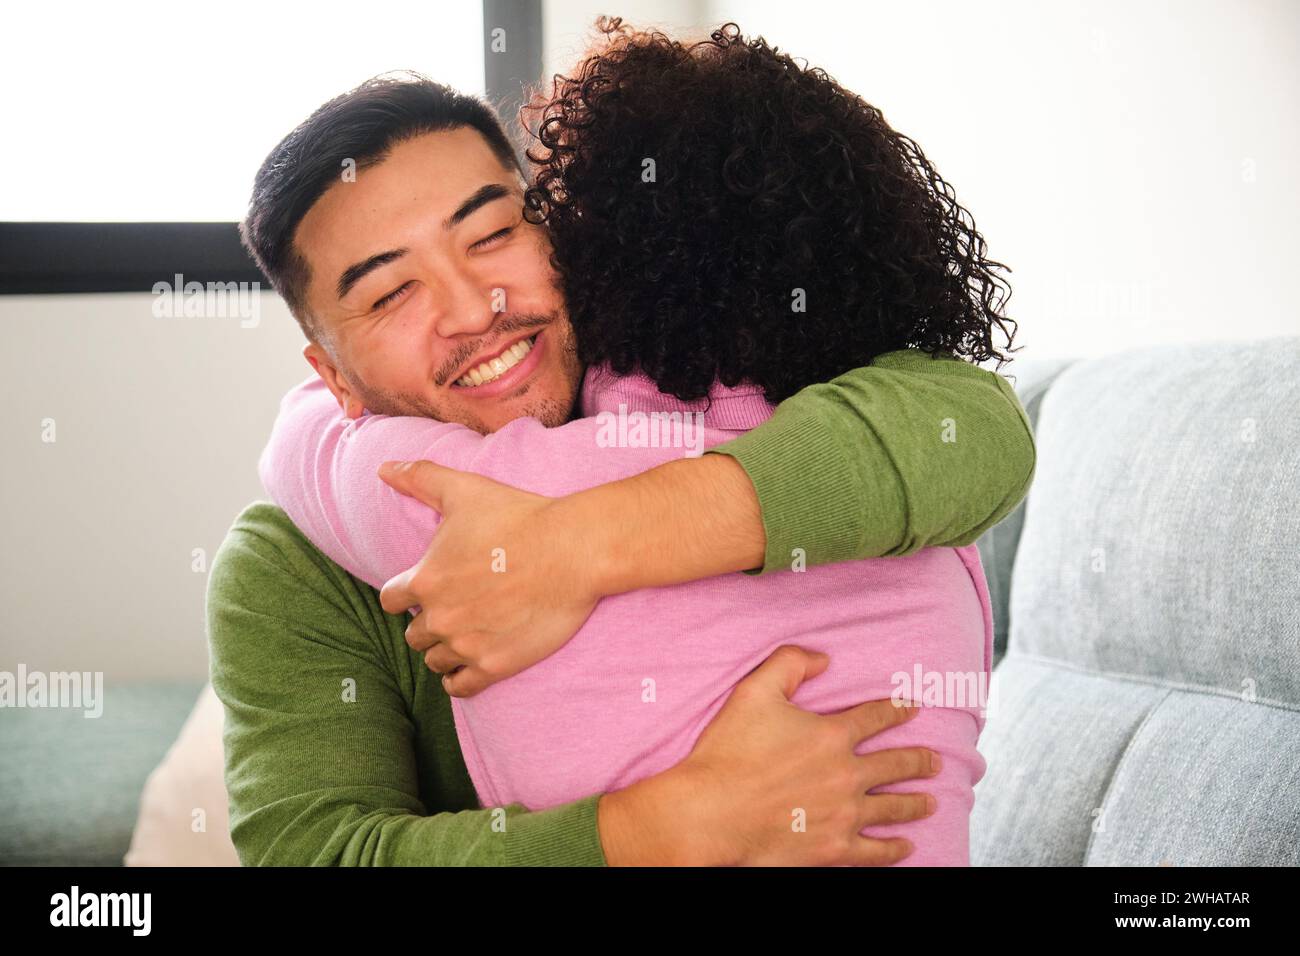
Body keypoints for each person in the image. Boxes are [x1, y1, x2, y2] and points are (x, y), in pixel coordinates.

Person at [209, 30, 1033, 866]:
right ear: (333, 379)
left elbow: (983, 430)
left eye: (493, 234)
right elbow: (318, 852)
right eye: (390, 294)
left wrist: (580, 546)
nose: (472, 306)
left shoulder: (729, 378)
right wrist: (664, 828)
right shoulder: (287, 567)